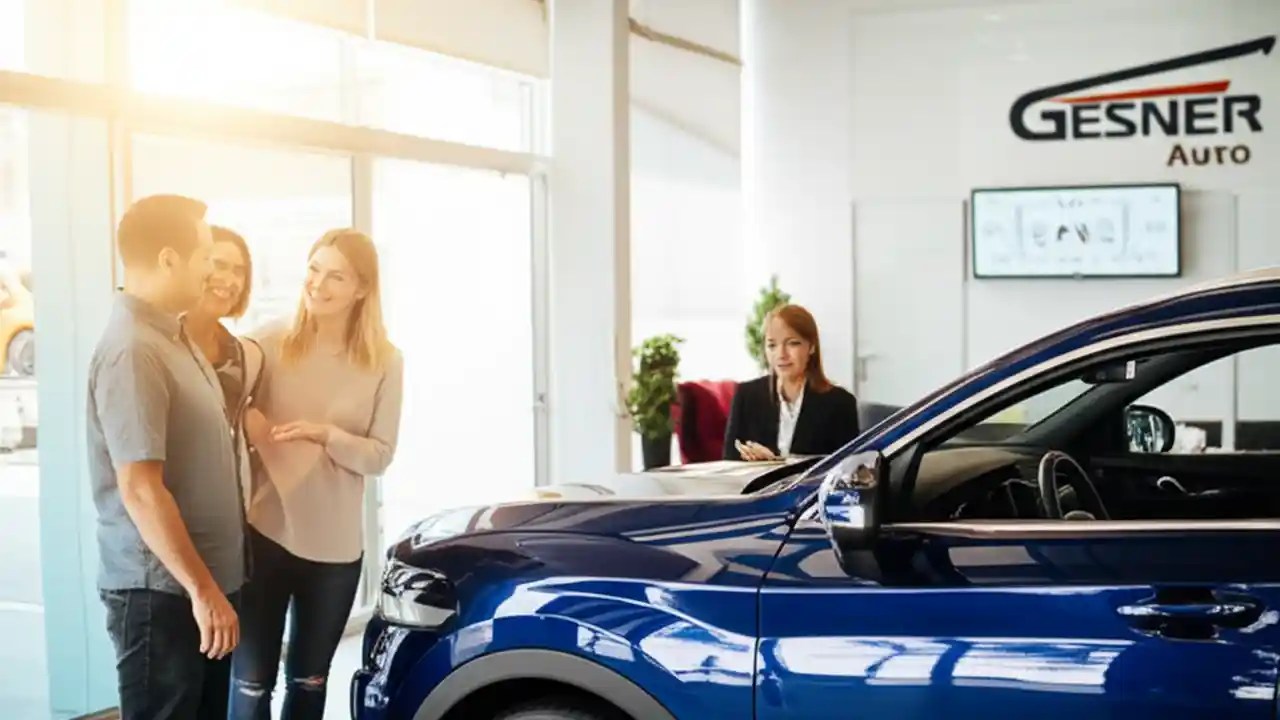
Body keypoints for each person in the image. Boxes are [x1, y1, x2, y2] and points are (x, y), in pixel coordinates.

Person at [230, 228, 403, 719]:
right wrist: (253, 426)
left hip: (335, 551)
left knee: (308, 684)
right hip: (264, 535)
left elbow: (379, 456)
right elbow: (222, 406)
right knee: (250, 686)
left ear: (362, 289)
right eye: (313, 269)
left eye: (336, 276)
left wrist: (327, 435)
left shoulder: (385, 362)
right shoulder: (265, 342)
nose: (318, 284)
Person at [86, 194, 244, 719]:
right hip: (164, 596)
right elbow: (139, 488)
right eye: (205, 257)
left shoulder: (175, 336)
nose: (212, 271)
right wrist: (203, 590)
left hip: (198, 591)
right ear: (169, 259)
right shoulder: (133, 350)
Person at [182, 225, 265, 513]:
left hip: (228, 512)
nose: (229, 280)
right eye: (219, 265)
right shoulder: (161, 345)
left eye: (239, 271)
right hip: (173, 509)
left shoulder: (244, 355)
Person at [722, 303, 860, 461]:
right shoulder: (746, 395)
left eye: (792, 343)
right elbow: (729, 461)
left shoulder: (841, 403)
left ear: (811, 347)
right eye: (772, 345)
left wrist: (775, 462)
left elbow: (846, 469)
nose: (781, 354)